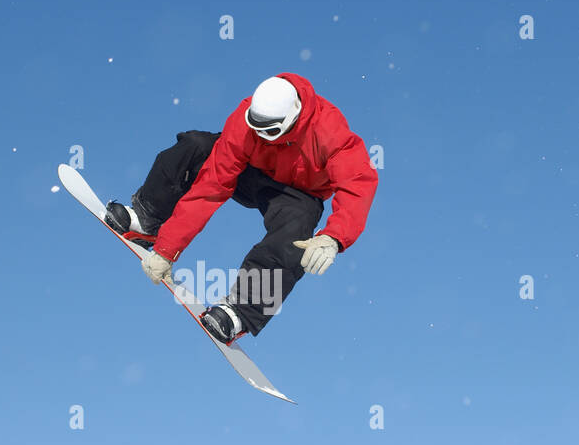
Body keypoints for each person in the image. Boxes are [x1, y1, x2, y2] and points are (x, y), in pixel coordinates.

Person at [104, 73, 378, 344]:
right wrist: (167, 249)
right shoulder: (245, 120)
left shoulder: (329, 130)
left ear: (293, 119)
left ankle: (241, 312)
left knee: (296, 238)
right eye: (256, 128)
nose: (262, 137)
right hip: (248, 173)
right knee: (196, 146)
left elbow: (358, 184)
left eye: (270, 132)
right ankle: (147, 218)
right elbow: (210, 187)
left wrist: (334, 237)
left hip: (296, 195)